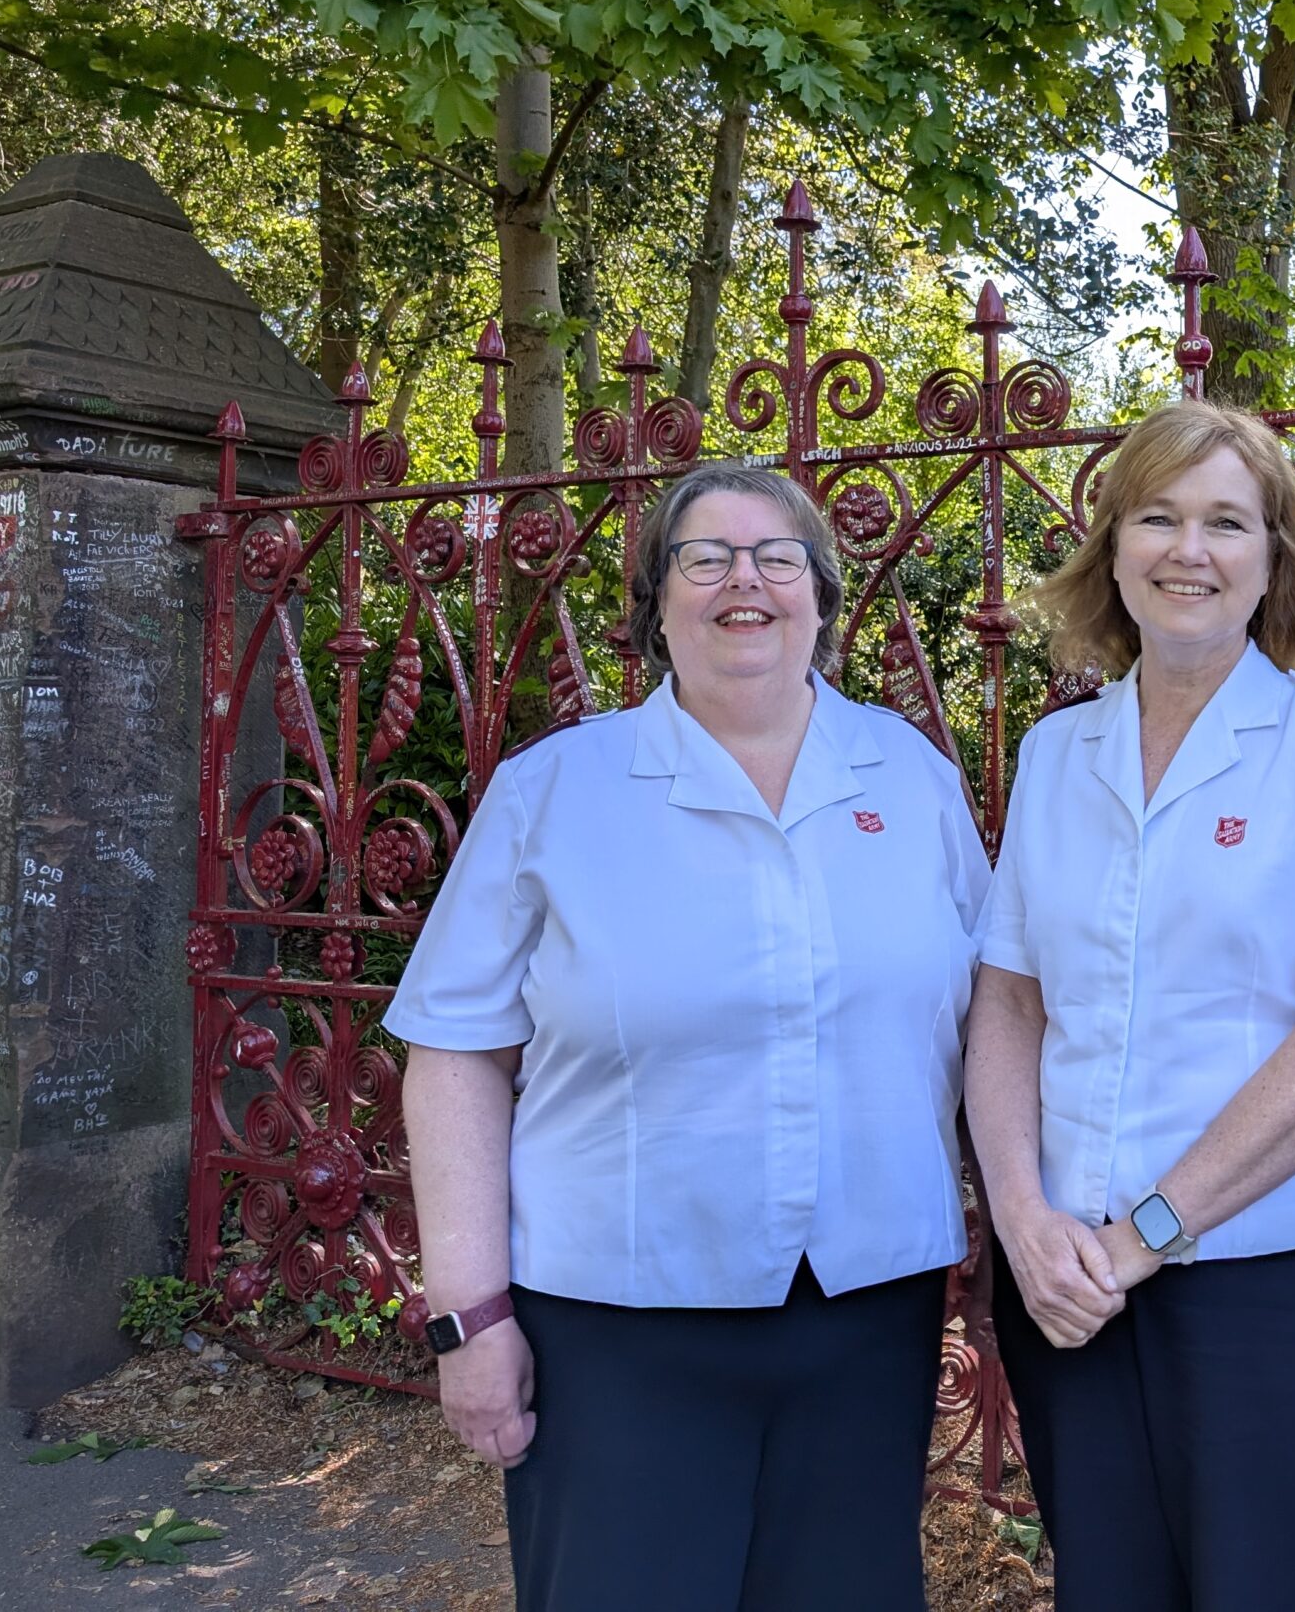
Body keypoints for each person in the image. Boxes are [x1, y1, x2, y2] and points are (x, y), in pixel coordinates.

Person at [393, 462, 989, 1612]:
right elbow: (456, 1050)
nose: (742, 581)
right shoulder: (555, 790)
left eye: (776, 557)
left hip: (868, 1314)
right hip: (616, 1326)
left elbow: (990, 1019)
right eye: (703, 558)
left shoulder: (910, 778)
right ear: (656, 604)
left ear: (820, 595)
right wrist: (469, 1313)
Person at [965, 399, 1295, 1612]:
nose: (1188, 549)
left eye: (1226, 521)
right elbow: (1008, 1001)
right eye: (1156, 517)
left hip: (1269, 1284)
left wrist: (1148, 1231)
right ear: (1111, 549)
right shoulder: (1059, 754)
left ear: (1274, 558)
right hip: (1069, 1282)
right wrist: (1022, 1216)